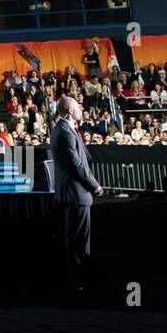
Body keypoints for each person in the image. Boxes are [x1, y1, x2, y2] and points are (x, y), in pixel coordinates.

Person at [51, 95, 104, 292]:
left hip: (75, 192)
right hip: (76, 192)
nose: (81, 110)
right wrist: (94, 185)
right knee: (78, 240)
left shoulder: (65, 129)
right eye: (78, 108)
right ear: (70, 111)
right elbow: (76, 165)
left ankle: (81, 279)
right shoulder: (64, 132)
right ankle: (79, 281)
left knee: (78, 239)